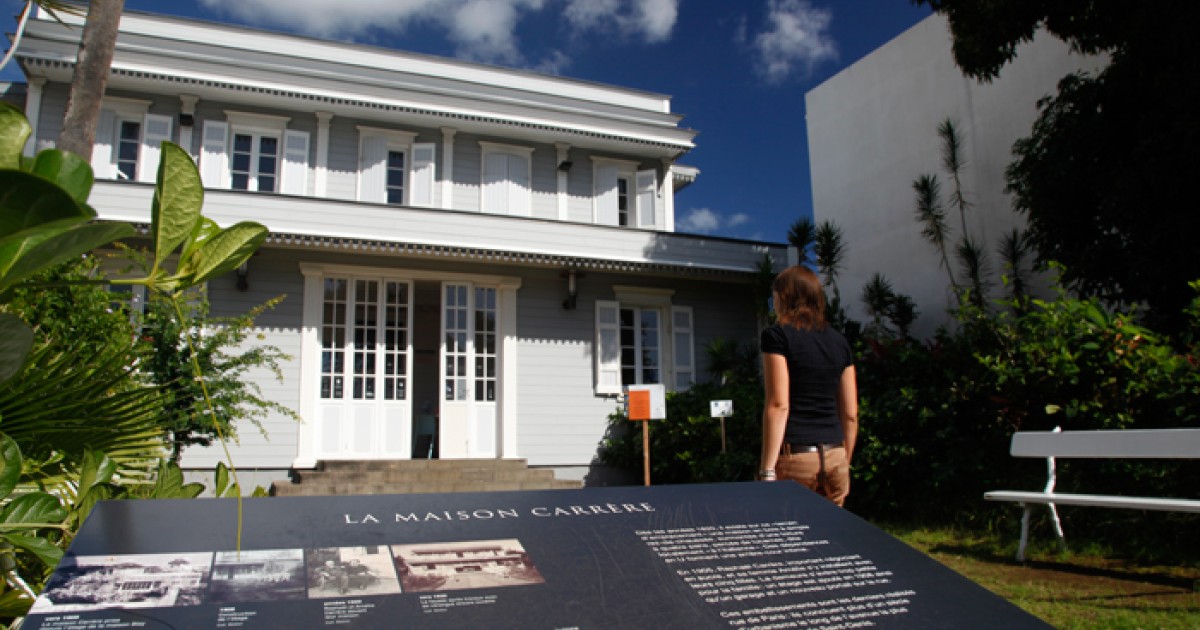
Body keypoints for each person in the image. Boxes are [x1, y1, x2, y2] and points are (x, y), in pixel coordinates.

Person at [758, 265, 858, 506]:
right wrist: (845, 459)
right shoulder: (840, 342)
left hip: (797, 458)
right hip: (836, 456)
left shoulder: (777, 336)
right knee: (832, 538)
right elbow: (850, 414)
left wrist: (767, 471)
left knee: (790, 538)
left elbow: (778, 405)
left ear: (783, 297)